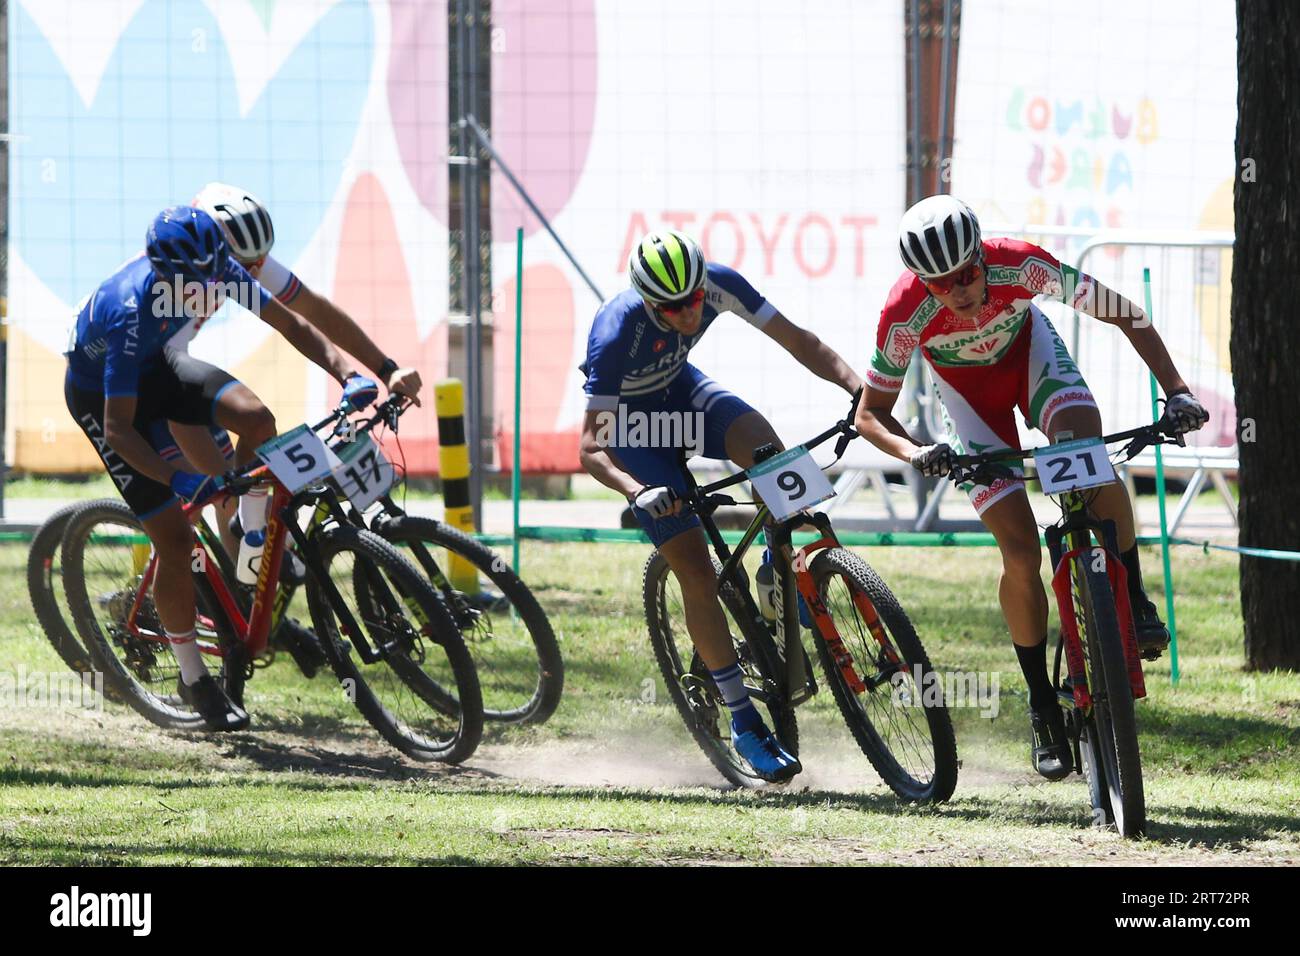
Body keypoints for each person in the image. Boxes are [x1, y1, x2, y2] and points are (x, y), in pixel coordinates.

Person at [854, 195, 1208, 780]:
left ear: (981, 257)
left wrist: (1176, 390)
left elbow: (1125, 312)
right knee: (1019, 551)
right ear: (921, 281)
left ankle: (1134, 593)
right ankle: (1043, 705)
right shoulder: (903, 311)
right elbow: (870, 415)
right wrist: (916, 452)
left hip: (1031, 361)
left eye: (967, 273)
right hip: (971, 407)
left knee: (1085, 450)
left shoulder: (1022, 264)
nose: (960, 290)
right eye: (941, 284)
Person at [64, 206, 379, 730]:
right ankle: (193, 678)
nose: (209, 289)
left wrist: (349, 373)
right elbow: (120, 429)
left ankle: (244, 545)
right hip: (105, 398)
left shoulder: (213, 266)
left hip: (160, 365)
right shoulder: (128, 309)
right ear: (165, 272)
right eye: (196, 281)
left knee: (257, 419)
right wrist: (178, 479)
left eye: (216, 273)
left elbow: (289, 321)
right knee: (175, 538)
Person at [578, 229, 862, 782]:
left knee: (767, 448)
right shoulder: (614, 334)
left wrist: (859, 389)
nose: (689, 313)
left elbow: (798, 340)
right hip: (632, 429)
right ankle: (741, 719)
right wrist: (637, 491)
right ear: (645, 298)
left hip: (682, 393)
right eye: (673, 306)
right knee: (694, 566)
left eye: (694, 300)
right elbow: (591, 446)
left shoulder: (717, 285)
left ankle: (780, 572)